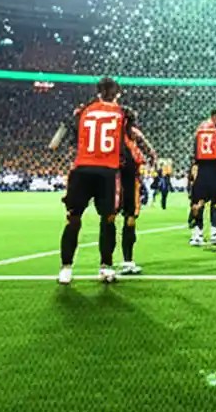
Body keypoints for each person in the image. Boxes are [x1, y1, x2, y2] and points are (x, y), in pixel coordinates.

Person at [49, 77, 155, 285]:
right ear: (117, 94)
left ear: (98, 92)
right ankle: (105, 267)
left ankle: (66, 268)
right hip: (107, 171)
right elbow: (130, 141)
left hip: (82, 168)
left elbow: (56, 142)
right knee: (108, 219)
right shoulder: (123, 113)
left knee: (73, 218)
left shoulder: (83, 110)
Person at [119, 125, 159, 275]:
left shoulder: (113, 133)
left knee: (108, 219)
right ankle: (127, 261)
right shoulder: (133, 133)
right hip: (129, 179)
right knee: (130, 219)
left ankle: (105, 265)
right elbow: (150, 151)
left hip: (110, 177)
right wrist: (152, 163)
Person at [188, 109, 216, 247]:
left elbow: (194, 153)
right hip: (215, 169)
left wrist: (192, 173)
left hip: (201, 168)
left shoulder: (199, 130)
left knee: (198, 201)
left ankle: (197, 233)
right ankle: (215, 232)